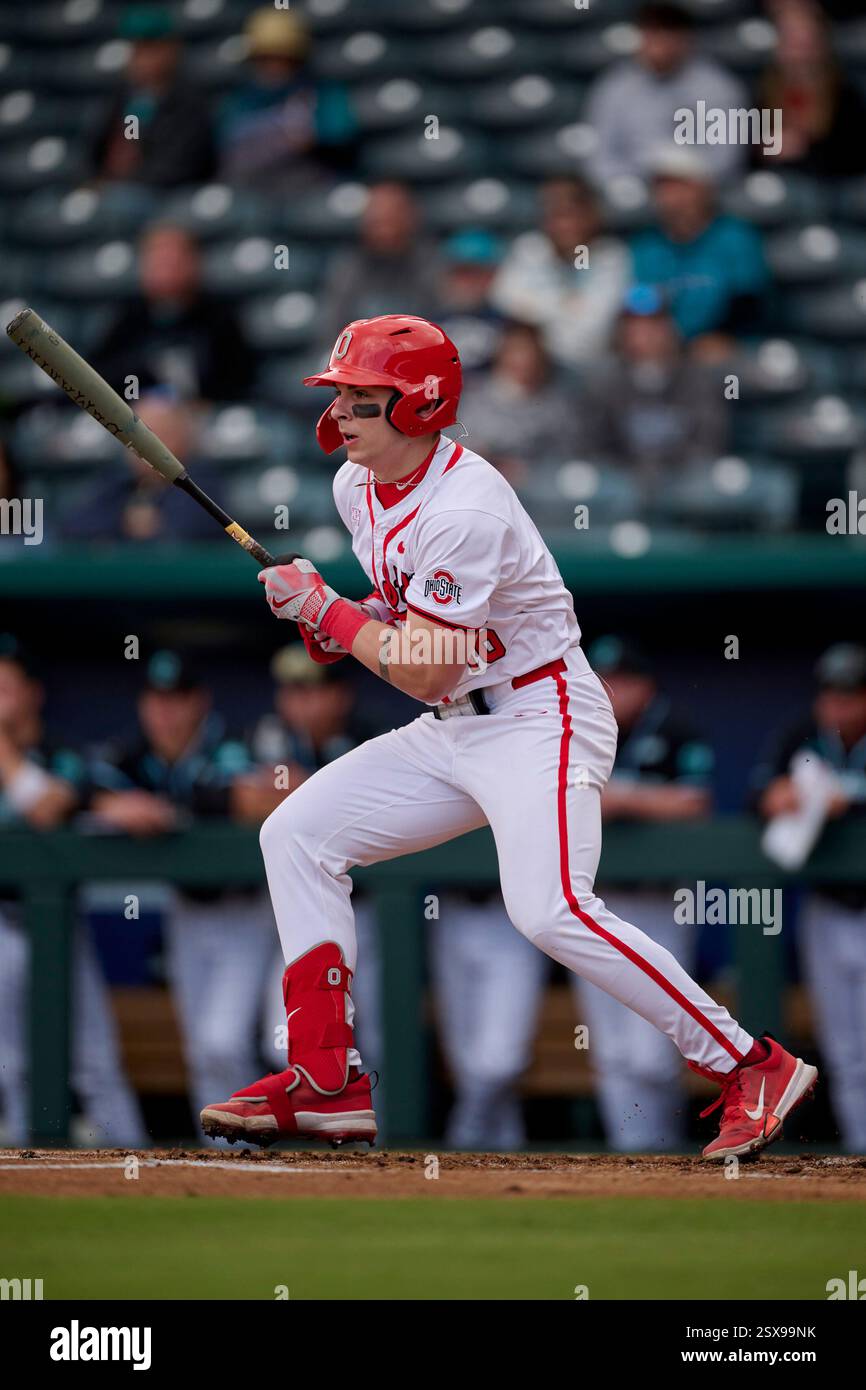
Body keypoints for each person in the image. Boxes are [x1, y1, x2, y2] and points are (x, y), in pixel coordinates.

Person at [200, 313, 817, 1160]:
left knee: (550, 908)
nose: (340, 413)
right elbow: (409, 629)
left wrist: (329, 612)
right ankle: (325, 1081)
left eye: (361, 399)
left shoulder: (467, 506)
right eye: (337, 394)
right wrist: (340, 617)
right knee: (295, 834)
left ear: (417, 406)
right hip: (455, 725)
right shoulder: (353, 489)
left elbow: (422, 668)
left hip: (539, 713)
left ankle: (754, 1064)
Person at [88, 652, 276, 1139]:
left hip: (245, 910)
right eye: (156, 700)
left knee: (222, 1040)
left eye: (177, 700)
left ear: (200, 703)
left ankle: (246, 1147)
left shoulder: (232, 744)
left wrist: (167, 810)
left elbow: (254, 795)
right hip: (186, 914)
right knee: (200, 1047)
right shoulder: (133, 756)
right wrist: (111, 803)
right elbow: (85, 788)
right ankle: (220, 1157)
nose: (165, 713)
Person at [0, 636, 146, 1147]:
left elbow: (48, 807)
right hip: (1, 927)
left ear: (32, 693)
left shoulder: (58, 752)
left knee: (95, 1061)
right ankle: (24, 1176)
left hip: (56, 925)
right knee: (10, 1064)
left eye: (6, 686)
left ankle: (143, 1175)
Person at [570, 636, 714, 1151]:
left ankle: (664, 1150)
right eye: (603, 681)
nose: (612, 692)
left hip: (660, 903)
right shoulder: (578, 729)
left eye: (622, 681)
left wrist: (626, 798)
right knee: (611, 1051)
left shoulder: (673, 730)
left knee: (652, 1053)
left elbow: (696, 802)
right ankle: (632, 1159)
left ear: (645, 685)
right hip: (595, 903)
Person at [248, 646, 384, 1083]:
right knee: (286, 1035)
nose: (303, 702)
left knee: (376, 1036)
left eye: (315, 690)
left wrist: (302, 789)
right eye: (293, 691)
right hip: (290, 911)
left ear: (342, 695)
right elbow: (222, 794)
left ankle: (387, 1145)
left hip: (366, 910)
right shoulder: (263, 738)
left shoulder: (374, 740)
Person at [752, 642, 866, 1151]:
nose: (838, 706)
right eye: (832, 695)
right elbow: (760, 793)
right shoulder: (803, 735)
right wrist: (777, 795)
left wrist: (851, 794)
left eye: (851, 695)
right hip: (827, 907)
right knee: (846, 1051)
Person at [575, 285, 728, 497]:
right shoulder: (604, 383)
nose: (644, 334)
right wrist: (635, 472)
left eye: (654, 325)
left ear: (669, 329)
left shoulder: (696, 379)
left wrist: (665, 471)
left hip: (684, 481)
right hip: (623, 484)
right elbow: (593, 444)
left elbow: (708, 439)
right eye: (635, 326)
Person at [584, 2, 748, 186]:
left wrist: (681, 175)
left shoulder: (718, 88)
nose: (659, 43)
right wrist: (639, 178)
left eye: (668, 32)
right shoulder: (614, 86)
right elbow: (599, 159)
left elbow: (726, 161)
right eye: (652, 32)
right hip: (634, 187)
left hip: (696, 188)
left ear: (687, 39)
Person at [91, 223, 253, 403]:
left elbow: (239, 382)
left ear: (193, 264)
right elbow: (101, 376)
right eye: (158, 261)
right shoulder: (127, 316)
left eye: (173, 261)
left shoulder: (220, 318)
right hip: (136, 412)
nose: (166, 270)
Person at [631, 150, 769, 352]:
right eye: (662, 186)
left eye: (679, 185)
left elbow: (750, 302)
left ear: (704, 189)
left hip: (728, 344)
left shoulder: (736, 237)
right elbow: (640, 303)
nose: (670, 197)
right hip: (664, 351)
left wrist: (723, 337)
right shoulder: (645, 245)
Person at [490, 176, 630, 368]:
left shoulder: (609, 255)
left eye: (571, 215)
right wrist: (565, 307)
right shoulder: (531, 248)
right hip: (541, 365)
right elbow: (504, 297)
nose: (564, 226)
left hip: (594, 363)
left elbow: (594, 325)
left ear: (590, 217)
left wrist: (537, 310)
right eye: (556, 216)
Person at [217, 7, 357, 193]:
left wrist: (311, 137)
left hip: (310, 190)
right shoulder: (239, 101)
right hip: (251, 194)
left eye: (283, 57)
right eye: (265, 58)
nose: (274, 66)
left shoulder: (323, 95)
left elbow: (340, 135)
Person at [61, 394, 225, 544]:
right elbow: (74, 526)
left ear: (183, 438)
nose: (141, 448)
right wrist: (124, 522)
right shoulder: (117, 480)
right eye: (133, 437)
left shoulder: (202, 481)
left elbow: (194, 530)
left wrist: (157, 526)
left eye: (157, 435)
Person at [88, 5, 215, 188]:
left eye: (149, 48)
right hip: (117, 192)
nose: (140, 59)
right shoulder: (125, 98)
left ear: (171, 50)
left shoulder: (190, 101)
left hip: (165, 197)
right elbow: (97, 153)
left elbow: (180, 168)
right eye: (135, 49)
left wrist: (126, 181)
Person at [319, 183, 443, 349]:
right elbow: (331, 328)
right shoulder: (347, 268)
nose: (383, 227)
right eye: (376, 219)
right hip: (360, 359)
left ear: (411, 218)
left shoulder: (432, 263)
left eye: (391, 217)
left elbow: (443, 321)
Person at [458, 320, 580, 486]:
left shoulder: (555, 405)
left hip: (537, 489)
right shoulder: (472, 397)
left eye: (530, 352)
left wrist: (528, 471)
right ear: (501, 354)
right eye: (515, 351)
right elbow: (460, 448)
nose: (524, 360)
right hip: (478, 482)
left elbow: (566, 457)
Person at [755, 0, 866, 178]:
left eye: (805, 44)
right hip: (776, 182)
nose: (799, 55)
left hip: (829, 185)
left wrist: (805, 149)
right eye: (791, 43)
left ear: (822, 46)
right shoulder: (763, 91)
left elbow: (854, 158)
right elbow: (750, 156)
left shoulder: (844, 94)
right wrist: (766, 148)